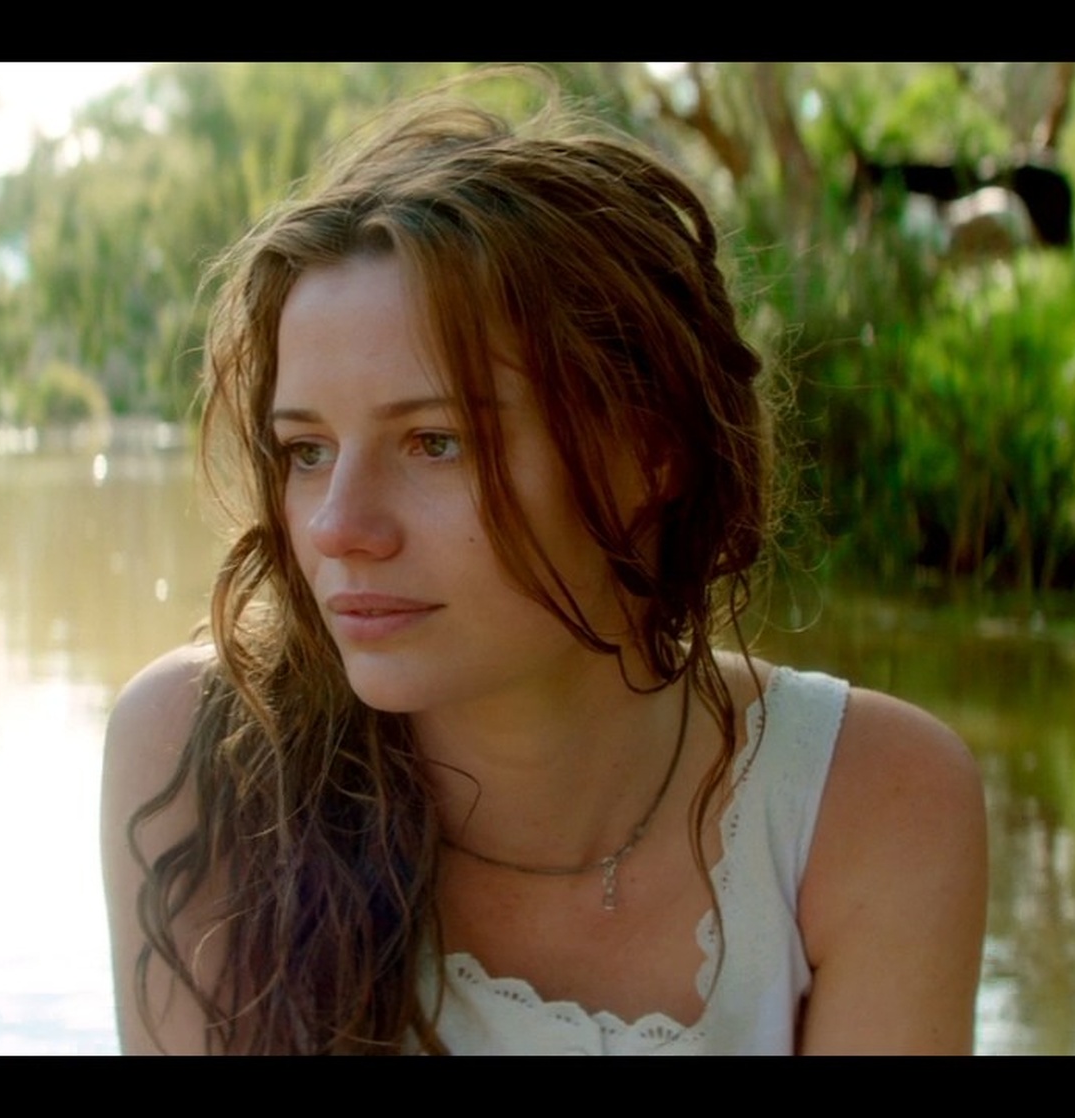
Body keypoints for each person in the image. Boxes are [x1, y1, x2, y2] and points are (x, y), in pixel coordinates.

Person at [100, 84, 987, 1055]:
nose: (339, 526)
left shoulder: (869, 804)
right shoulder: (204, 763)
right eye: (305, 450)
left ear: (649, 453)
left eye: (433, 441)